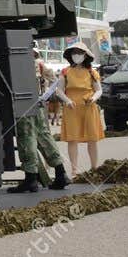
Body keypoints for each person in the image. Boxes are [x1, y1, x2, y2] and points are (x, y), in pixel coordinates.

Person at [13, 49, 68, 193]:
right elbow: (56, 80)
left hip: (23, 103)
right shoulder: (40, 64)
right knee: (44, 136)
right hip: (38, 104)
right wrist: (45, 95)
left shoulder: (17, 63)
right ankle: (61, 173)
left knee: (27, 138)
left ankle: (31, 179)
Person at [45, 43, 104, 174]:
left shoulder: (91, 72)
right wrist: (67, 100)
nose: (76, 55)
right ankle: (74, 170)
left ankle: (94, 168)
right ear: (70, 56)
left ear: (86, 55)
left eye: (79, 52)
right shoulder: (65, 72)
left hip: (89, 106)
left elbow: (99, 90)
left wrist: (93, 98)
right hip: (71, 108)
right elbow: (59, 90)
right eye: (74, 52)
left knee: (92, 139)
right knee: (72, 139)